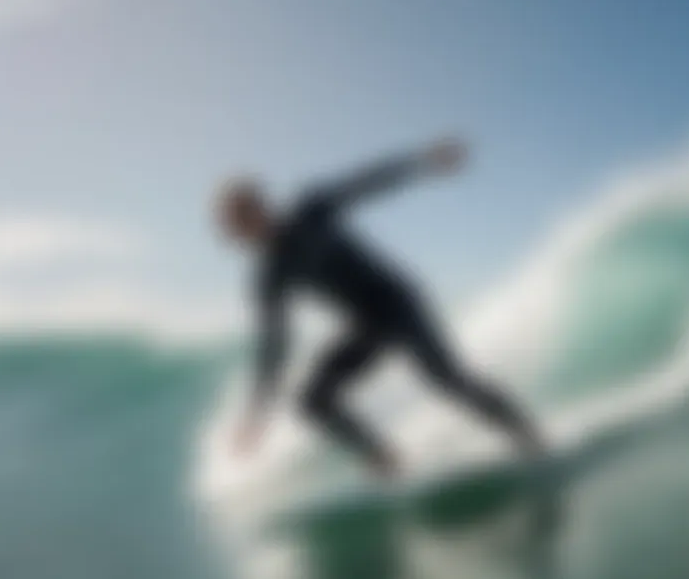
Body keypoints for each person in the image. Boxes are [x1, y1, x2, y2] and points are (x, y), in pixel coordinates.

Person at [215, 137, 545, 477]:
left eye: (245, 218)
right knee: (313, 400)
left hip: (398, 302)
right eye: (237, 231)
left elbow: (367, 183)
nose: (244, 234)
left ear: (261, 205)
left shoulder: (311, 210)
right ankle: (384, 457)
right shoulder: (270, 276)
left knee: (448, 380)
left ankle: (528, 435)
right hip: (366, 324)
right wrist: (257, 413)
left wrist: (423, 161)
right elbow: (274, 346)